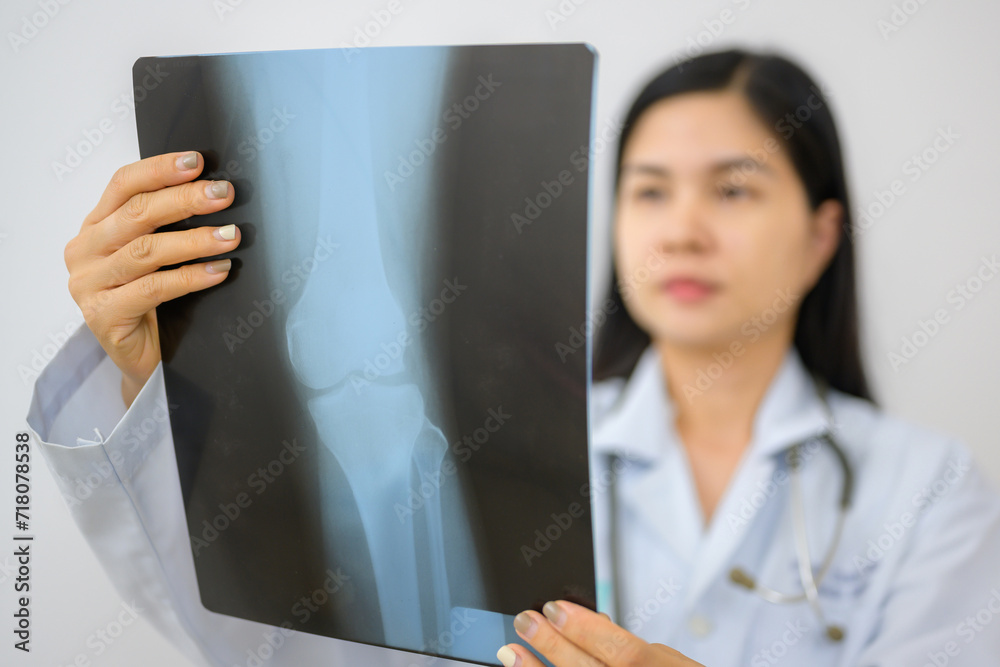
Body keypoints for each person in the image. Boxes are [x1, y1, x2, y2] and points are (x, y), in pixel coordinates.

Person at [28, 47, 1000, 667]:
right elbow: (276, 651)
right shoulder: (504, 452)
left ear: (822, 233)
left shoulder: (922, 490)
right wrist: (144, 370)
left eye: (734, 190)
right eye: (650, 191)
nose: (684, 229)